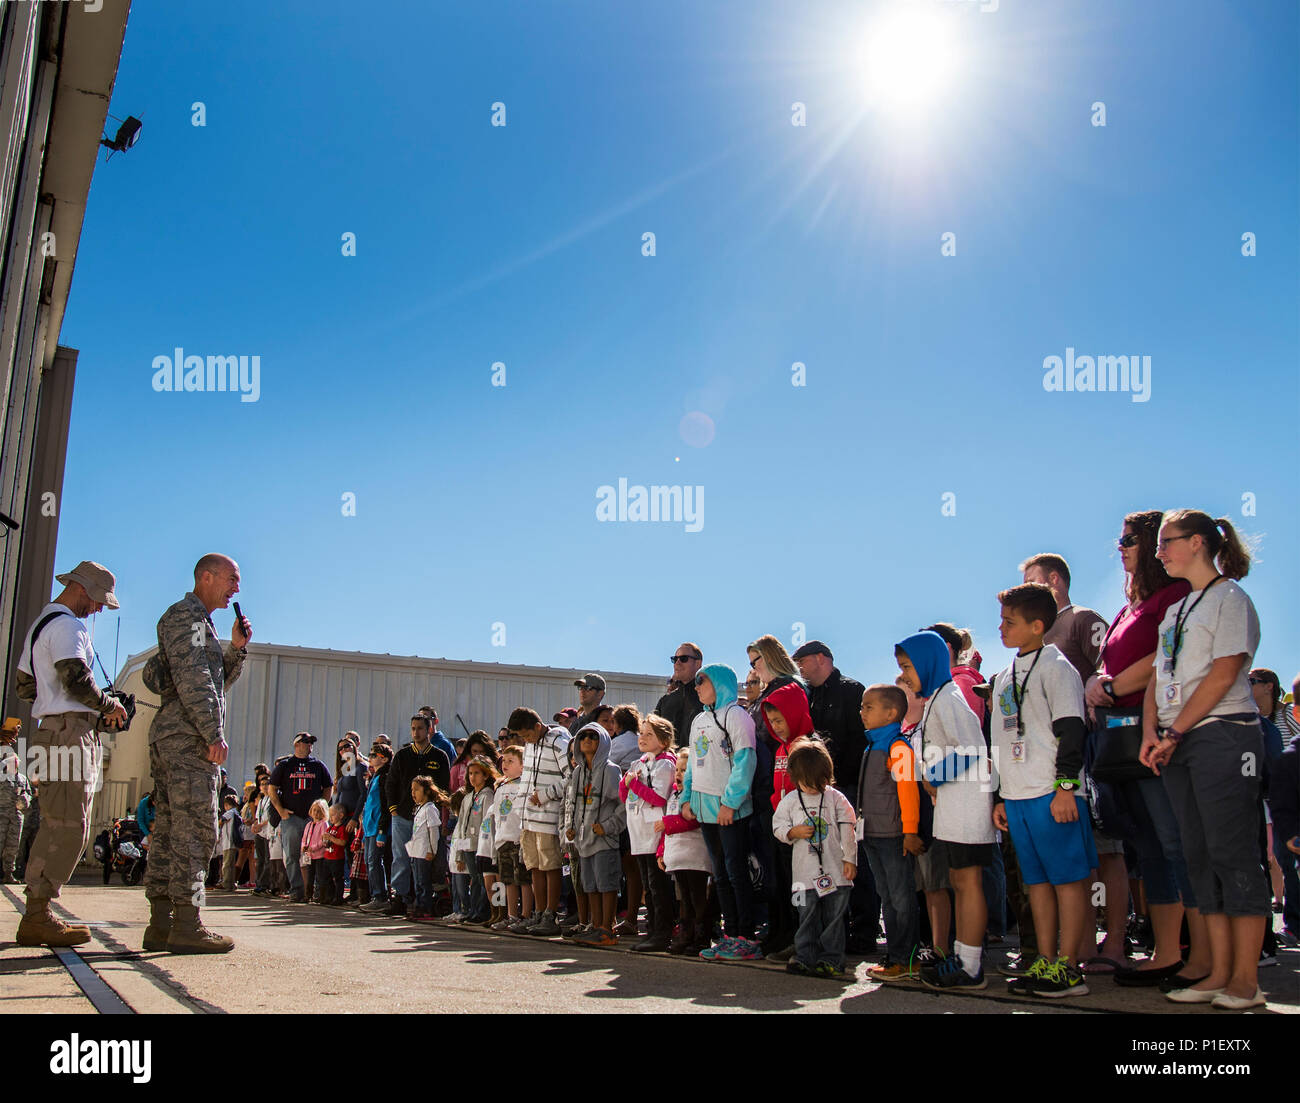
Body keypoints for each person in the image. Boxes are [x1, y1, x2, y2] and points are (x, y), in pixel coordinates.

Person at [1141, 510, 1268, 1009]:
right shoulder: (1176, 609)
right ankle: (1216, 971)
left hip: (1222, 737)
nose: (1158, 552)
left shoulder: (1231, 598)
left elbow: (1224, 672)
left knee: (1232, 852)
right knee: (1197, 855)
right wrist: (1151, 731)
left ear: (1196, 543)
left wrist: (1174, 730)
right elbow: (1157, 675)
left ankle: (1245, 980)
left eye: (1165, 542)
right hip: (1177, 740)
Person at [1087, 509, 1200, 989]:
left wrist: (1109, 688)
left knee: (1175, 843)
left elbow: (1164, 657)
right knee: (1149, 847)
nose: (1122, 546)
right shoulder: (1127, 605)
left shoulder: (1174, 595)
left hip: (1154, 733)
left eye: (1130, 538)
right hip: (1121, 740)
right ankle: (1165, 951)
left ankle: (1201, 954)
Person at [135, 555, 250, 954]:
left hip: (178, 737)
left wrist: (235, 650)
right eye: (231, 579)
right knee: (196, 831)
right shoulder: (187, 617)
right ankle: (187, 923)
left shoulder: (200, 623)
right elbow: (195, 680)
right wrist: (213, 734)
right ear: (207, 576)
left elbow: (215, 681)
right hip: (187, 741)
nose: (236, 588)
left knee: (169, 830)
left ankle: (162, 924)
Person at [12, 560, 128, 947]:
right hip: (67, 735)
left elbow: (25, 687)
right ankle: (38, 915)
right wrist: (107, 707)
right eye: (97, 601)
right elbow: (76, 679)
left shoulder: (40, 626)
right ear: (81, 587)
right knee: (68, 826)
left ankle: (38, 910)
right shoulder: (68, 626)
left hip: (50, 732)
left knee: (55, 821)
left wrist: (64, 708)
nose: (97, 609)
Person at [991, 583, 1095, 998]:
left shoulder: (1057, 667)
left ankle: (1070, 967)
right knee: (1036, 883)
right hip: (1016, 795)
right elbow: (999, 740)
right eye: (1001, 620)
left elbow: (1072, 730)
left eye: (1009, 622)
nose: (1001, 628)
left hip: (1053, 793)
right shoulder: (1002, 677)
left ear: (1037, 626)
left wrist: (1066, 787)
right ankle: (1045, 961)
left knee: (1067, 881)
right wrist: (998, 794)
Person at [897, 630, 993, 990]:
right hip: (954, 811)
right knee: (958, 882)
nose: (905, 675)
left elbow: (971, 748)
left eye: (908, 667)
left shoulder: (950, 697)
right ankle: (961, 955)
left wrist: (932, 776)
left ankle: (971, 967)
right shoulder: (938, 697)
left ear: (928, 663)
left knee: (968, 884)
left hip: (968, 809)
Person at [683, 663, 761, 961]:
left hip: (730, 810)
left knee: (736, 872)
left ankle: (746, 936)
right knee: (720, 874)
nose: (697, 686)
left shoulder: (736, 715)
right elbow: (692, 764)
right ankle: (730, 935)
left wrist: (731, 802)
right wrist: (687, 798)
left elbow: (746, 760)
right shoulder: (699, 719)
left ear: (720, 683)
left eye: (702, 681)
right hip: (704, 809)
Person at [772, 740, 858, 980]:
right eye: (806, 784)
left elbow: (848, 829)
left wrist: (850, 860)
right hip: (803, 875)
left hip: (836, 873)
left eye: (818, 783)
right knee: (805, 915)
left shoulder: (837, 799)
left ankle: (831, 959)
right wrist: (792, 832)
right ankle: (804, 956)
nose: (812, 789)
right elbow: (777, 826)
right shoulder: (789, 801)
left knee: (834, 918)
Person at [857, 684, 924, 982]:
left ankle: (906, 958)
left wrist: (910, 831)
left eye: (869, 707)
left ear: (891, 713)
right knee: (888, 897)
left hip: (895, 836)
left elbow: (908, 792)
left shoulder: (898, 747)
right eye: (862, 706)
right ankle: (896, 956)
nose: (862, 712)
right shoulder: (872, 745)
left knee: (901, 898)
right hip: (873, 835)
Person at [757, 682, 815, 962]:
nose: (776, 726)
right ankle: (784, 935)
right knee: (780, 885)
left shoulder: (806, 748)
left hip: (803, 833)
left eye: (780, 720)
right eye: (772, 721)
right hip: (782, 831)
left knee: (801, 890)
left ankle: (802, 940)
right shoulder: (780, 749)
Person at [562, 723, 626, 946]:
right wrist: (570, 827)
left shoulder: (610, 770)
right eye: (583, 737)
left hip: (604, 839)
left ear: (604, 742)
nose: (587, 740)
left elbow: (622, 804)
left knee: (606, 883)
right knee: (589, 884)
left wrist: (608, 826)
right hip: (583, 839)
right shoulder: (578, 772)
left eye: (593, 736)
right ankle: (595, 925)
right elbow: (573, 803)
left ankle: (607, 928)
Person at [511, 707, 571, 937]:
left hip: (548, 816)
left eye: (527, 735)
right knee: (534, 866)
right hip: (529, 817)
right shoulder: (530, 746)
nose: (525, 740)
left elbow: (571, 775)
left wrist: (547, 794)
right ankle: (538, 912)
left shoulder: (559, 741)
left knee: (550, 865)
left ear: (537, 726)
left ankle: (550, 913)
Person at [620, 714, 677, 951]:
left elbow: (658, 797)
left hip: (655, 834)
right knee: (648, 886)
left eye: (649, 734)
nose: (642, 738)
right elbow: (625, 798)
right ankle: (651, 929)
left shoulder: (665, 763)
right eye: (641, 733)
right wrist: (625, 784)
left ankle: (662, 932)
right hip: (638, 833)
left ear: (663, 740)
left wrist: (635, 784)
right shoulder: (639, 762)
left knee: (658, 886)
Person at [385, 714, 451, 917]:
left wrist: (439, 812)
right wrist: (393, 809)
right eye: (413, 728)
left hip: (428, 817)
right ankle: (400, 897)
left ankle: (427, 899)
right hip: (403, 815)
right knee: (401, 858)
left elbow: (444, 787)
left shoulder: (439, 756)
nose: (416, 732)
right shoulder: (402, 755)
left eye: (420, 728)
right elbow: (391, 784)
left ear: (429, 729)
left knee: (427, 860)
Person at [1020, 553, 1110, 684]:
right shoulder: (1035, 635)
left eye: (1031, 583)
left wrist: (1094, 683)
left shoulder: (1083, 618)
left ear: (1054, 578)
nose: (1025, 591)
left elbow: (1111, 666)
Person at [658, 747, 712, 955]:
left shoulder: (696, 795)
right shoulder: (673, 795)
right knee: (684, 899)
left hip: (695, 855)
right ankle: (685, 934)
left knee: (698, 898)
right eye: (678, 770)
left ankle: (701, 937)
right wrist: (661, 852)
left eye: (684, 770)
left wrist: (668, 824)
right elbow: (665, 831)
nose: (679, 774)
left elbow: (694, 819)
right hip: (677, 855)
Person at [268, 732, 334, 904]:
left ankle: (315, 890)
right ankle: (296, 890)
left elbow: (328, 786)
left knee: (317, 855)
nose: (309, 745)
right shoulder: (285, 765)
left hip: (313, 820)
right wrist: (280, 810)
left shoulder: (317, 765)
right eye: (306, 742)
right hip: (291, 817)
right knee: (291, 854)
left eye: (311, 742)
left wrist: (322, 806)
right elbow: (271, 788)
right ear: (296, 744)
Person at [449, 756, 497, 924]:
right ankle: (473, 910)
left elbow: (488, 821)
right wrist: (460, 853)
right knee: (474, 879)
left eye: (477, 773)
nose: (473, 777)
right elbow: (461, 824)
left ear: (485, 775)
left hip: (481, 845)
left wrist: (487, 845)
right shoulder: (468, 797)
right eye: (470, 773)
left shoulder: (487, 796)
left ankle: (482, 911)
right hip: (468, 845)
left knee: (483, 879)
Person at [491, 745, 534, 930]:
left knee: (523, 879)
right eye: (504, 760)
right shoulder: (501, 787)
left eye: (511, 761)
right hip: (503, 839)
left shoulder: (524, 786)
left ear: (523, 766)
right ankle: (511, 915)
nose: (505, 764)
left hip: (518, 839)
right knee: (507, 879)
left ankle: (525, 915)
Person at [358, 743, 394, 913]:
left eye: (374, 755)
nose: (370, 758)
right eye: (370, 755)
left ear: (384, 759)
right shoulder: (375, 776)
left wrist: (382, 832)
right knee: (369, 861)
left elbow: (385, 806)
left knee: (375, 862)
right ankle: (376, 895)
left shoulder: (385, 777)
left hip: (377, 826)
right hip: (369, 826)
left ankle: (380, 896)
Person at [408, 776, 447, 920]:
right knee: (418, 881)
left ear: (426, 791)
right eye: (412, 790)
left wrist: (432, 850)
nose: (413, 793)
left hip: (425, 852)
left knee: (424, 882)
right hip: (416, 851)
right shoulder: (419, 808)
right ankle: (418, 905)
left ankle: (426, 907)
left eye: (417, 790)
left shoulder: (430, 809)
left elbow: (433, 832)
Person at [654, 643, 704, 746]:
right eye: (674, 659)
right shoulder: (665, 701)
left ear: (698, 663)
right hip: (668, 761)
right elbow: (654, 736)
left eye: (683, 658)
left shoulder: (707, 699)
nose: (677, 663)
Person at [0, 724, 31, 884]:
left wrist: (26, 799)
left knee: (13, 847)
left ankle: (8, 874)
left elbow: (29, 794)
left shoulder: (22, 779)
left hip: (16, 817)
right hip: (1, 815)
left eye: (16, 762)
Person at [300, 799, 329, 904]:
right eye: (314, 811)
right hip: (309, 855)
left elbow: (324, 840)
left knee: (320, 876)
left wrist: (314, 847)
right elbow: (304, 838)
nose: (316, 813)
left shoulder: (323, 824)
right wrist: (304, 846)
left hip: (319, 855)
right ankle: (308, 895)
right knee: (309, 876)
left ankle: (321, 896)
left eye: (319, 811)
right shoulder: (309, 825)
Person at [218, 795, 243, 892]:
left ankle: (226, 883)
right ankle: (232, 883)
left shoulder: (229, 812)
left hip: (228, 842)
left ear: (226, 805)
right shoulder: (236, 812)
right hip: (234, 842)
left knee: (227, 864)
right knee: (231, 864)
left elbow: (221, 821)